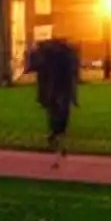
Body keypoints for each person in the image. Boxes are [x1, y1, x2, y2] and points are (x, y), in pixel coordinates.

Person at [32, 39, 80, 168]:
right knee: (61, 109)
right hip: (62, 86)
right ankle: (58, 133)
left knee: (55, 108)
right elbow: (73, 75)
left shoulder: (50, 57)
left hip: (56, 86)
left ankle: (56, 133)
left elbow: (42, 75)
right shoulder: (66, 56)